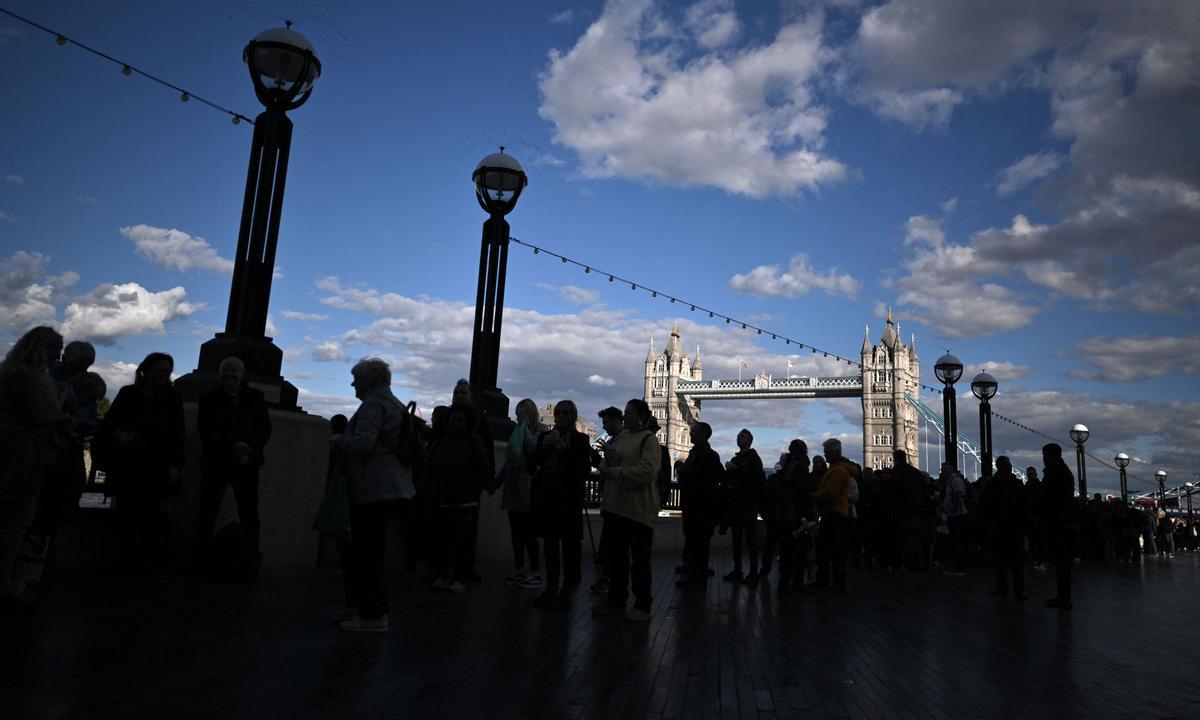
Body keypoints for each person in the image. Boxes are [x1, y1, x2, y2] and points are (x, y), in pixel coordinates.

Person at [329, 358, 419, 632]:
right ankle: (367, 610)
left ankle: (373, 615)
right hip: (393, 488)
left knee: (366, 554)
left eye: (356, 378)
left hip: (372, 489)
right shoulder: (393, 403)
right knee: (372, 552)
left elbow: (362, 444)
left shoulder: (373, 405)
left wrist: (337, 440)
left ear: (369, 380)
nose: (353, 384)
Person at [96, 352, 185, 574]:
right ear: (146, 371)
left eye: (166, 371)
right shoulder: (130, 394)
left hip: (153, 464)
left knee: (148, 513)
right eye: (160, 371)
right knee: (127, 513)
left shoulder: (170, 398)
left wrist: (175, 463)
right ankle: (129, 558)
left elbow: (177, 433)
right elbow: (110, 425)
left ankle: (140, 558)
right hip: (129, 463)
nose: (163, 376)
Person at [0, 326, 64, 601]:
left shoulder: (14, 373)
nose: (56, 358)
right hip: (19, 457)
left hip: (15, 454)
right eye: (54, 351)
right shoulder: (26, 376)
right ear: (42, 349)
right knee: (14, 522)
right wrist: (63, 420)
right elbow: (41, 417)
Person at [195, 357, 272, 568]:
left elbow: (264, 427)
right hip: (217, 462)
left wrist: (250, 447)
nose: (230, 376)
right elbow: (206, 431)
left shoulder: (255, 397)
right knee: (207, 512)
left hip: (247, 463)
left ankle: (251, 557)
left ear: (242, 375)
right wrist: (234, 446)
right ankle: (200, 558)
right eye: (226, 372)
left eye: (234, 372)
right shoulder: (209, 399)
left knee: (249, 512)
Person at [593, 399, 660, 621]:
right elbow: (604, 465)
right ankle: (616, 602)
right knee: (616, 560)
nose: (626, 417)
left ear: (641, 415)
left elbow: (647, 471)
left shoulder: (649, 440)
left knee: (640, 562)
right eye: (625, 413)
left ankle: (642, 607)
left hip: (638, 511)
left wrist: (617, 472)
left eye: (629, 413)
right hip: (614, 507)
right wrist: (608, 463)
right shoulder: (620, 437)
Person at [528, 400, 589, 606]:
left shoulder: (580, 440)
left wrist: (565, 451)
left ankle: (568, 588)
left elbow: (585, 469)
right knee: (550, 545)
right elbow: (531, 464)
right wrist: (542, 450)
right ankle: (551, 586)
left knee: (570, 545)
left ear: (573, 415)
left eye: (566, 413)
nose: (561, 416)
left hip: (569, 499)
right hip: (547, 497)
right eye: (559, 413)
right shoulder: (545, 437)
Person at [426, 403, 491, 595]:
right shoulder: (442, 441)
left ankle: (459, 576)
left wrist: (468, 486)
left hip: (463, 500)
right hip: (442, 497)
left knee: (461, 541)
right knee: (442, 540)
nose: (455, 423)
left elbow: (482, 469)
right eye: (453, 419)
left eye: (459, 419)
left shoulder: (474, 442)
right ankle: (442, 574)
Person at [498, 398, 545, 589]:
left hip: (529, 490)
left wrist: (524, 428)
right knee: (516, 534)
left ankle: (534, 571)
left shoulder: (540, 431)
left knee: (529, 534)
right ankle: (519, 569)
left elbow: (534, 449)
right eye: (518, 413)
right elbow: (510, 460)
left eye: (522, 413)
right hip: (514, 489)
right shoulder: (515, 431)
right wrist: (497, 481)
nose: (519, 416)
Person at [675, 422, 723, 591]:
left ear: (703, 433)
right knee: (697, 544)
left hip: (699, 508)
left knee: (698, 545)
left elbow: (697, 479)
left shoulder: (702, 455)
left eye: (693, 431)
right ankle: (694, 577)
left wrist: (683, 473)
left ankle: (697, 579)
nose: (690, 434)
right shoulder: (707, 454)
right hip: (698, 508)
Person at [761, 440, 809, 593]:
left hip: (781, 515)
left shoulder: (786, 470)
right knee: (794, 552)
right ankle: (791, 584)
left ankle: (783, 582)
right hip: (792, 516)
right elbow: (801, 494)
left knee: (782, 551)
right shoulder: (800, 467)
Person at [813, 438, 857, 592]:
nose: (825, 456)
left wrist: (812, 496)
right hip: (838, 513)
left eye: (827, 452)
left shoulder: (837, 470)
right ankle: (836, 582)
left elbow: (830, 493)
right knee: (836, 550)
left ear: (836, 452)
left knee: (827, 550)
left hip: (834, 513)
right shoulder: (839, 468)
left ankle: (827, 582)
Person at [588, 406, 623, 596]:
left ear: (618, 420)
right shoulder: (613, 440)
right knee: (608, 542)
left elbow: (615, 467)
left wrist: (607, 459)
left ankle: (610, 582)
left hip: (617, 501)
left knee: (612, 545)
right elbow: (603, 466)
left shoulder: (623, 441)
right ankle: (607, 579)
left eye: (606, 423)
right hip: (609, 499)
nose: (604, 426)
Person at [980, 456, 1027, 599]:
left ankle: (1011, 589)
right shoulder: (1004, 484)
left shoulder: (1010, 484)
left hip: (1010, 527)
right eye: (1006, 465)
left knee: (1012, 562)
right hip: (1003, 528)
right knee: (1004, 561)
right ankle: (1010, 589)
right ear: (999, 467)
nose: (1009, 467)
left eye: (1009, 464)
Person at [722, 429, 764, 584]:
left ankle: (750, 573)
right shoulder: (742, 458)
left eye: (743, 436)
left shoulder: (752, 458)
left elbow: (755, 479)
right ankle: (741, 571)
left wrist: (734, 469)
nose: (739, 438)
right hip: (739, 506)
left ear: (750, 440)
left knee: (749, 541)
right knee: (738, 540)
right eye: (738, 436)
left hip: (747, 506)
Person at [1040, 443, 1076, 610]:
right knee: (1062, 562)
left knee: (1062, 561)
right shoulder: (1063, 470)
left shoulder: (1055, 471)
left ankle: (1064, 598)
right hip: (1062, 520)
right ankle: (1062, 596)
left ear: (1050, 455)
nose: (1043, 458)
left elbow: (1047, 496)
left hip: (1057, 521)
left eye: (1044, 455)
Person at [940, 463, 969, 575]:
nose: (942, 471)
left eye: (945, 469)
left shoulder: (955, 481)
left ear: (950, 470)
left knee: (957, 542)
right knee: (956, 542)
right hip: (955, 516)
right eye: (942, 469)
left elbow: (959, 495)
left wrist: (954, 511)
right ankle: (958, 564)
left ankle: (959, 567)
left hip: (957, 516)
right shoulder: (950, 481)